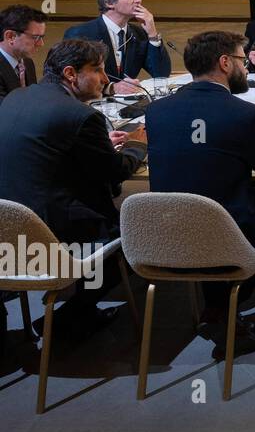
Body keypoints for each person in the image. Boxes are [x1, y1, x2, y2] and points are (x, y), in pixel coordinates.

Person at [144, 31, 255, 357]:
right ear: (225, 63)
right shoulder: (246, 115)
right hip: (229, 230)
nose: (246, 68)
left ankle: (215, 305)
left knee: (210, 210)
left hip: (168, 232)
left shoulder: (156, 112)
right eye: (243, 60)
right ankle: (227, 303)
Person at [0, 38, 146, 334]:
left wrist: (99, 145)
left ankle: (73, 312)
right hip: (55, 231)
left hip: (8, 226)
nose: (105, 80)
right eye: (98, 70)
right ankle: (68, 319)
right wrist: (136, 145)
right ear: (70, 73)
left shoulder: (16, 97)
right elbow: (113, 173)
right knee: (140, 237)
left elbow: (48, 149)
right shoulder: (81, 115)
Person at [65, 0, 172, 94]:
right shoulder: (81, 34)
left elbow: (161, 74)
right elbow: (70, 78)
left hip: (128, 104)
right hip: (93, 103)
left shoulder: (139, 33)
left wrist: (152, 34)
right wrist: (110, 88)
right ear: (109, 2)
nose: (138, 0)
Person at [0, 4, 45, 101]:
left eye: (42, 37)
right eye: (35, 37)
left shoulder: (27, 62)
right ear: (10, 36)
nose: (41, 44)